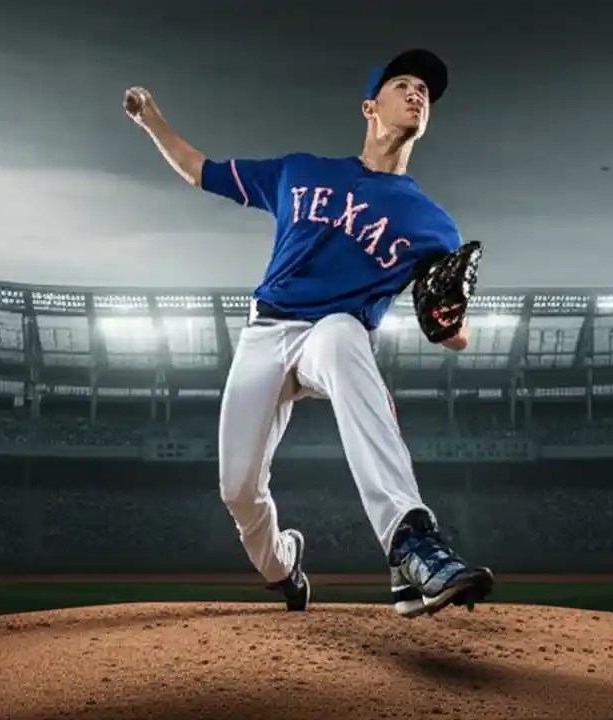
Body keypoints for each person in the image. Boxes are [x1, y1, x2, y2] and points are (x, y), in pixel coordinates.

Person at [123, 48, 493, 618]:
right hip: (266, 334)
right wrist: (152, 120)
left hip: (333, 338)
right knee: (238, 490)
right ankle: (283, 565)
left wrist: (452, 325)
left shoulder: (434, 224)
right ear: (370, 107)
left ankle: (409, 542)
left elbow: (449, 331)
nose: (417, 93)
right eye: (403, 83)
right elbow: (200, 169)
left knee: (342, 334)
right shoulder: (301, 172)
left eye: (425, 90)